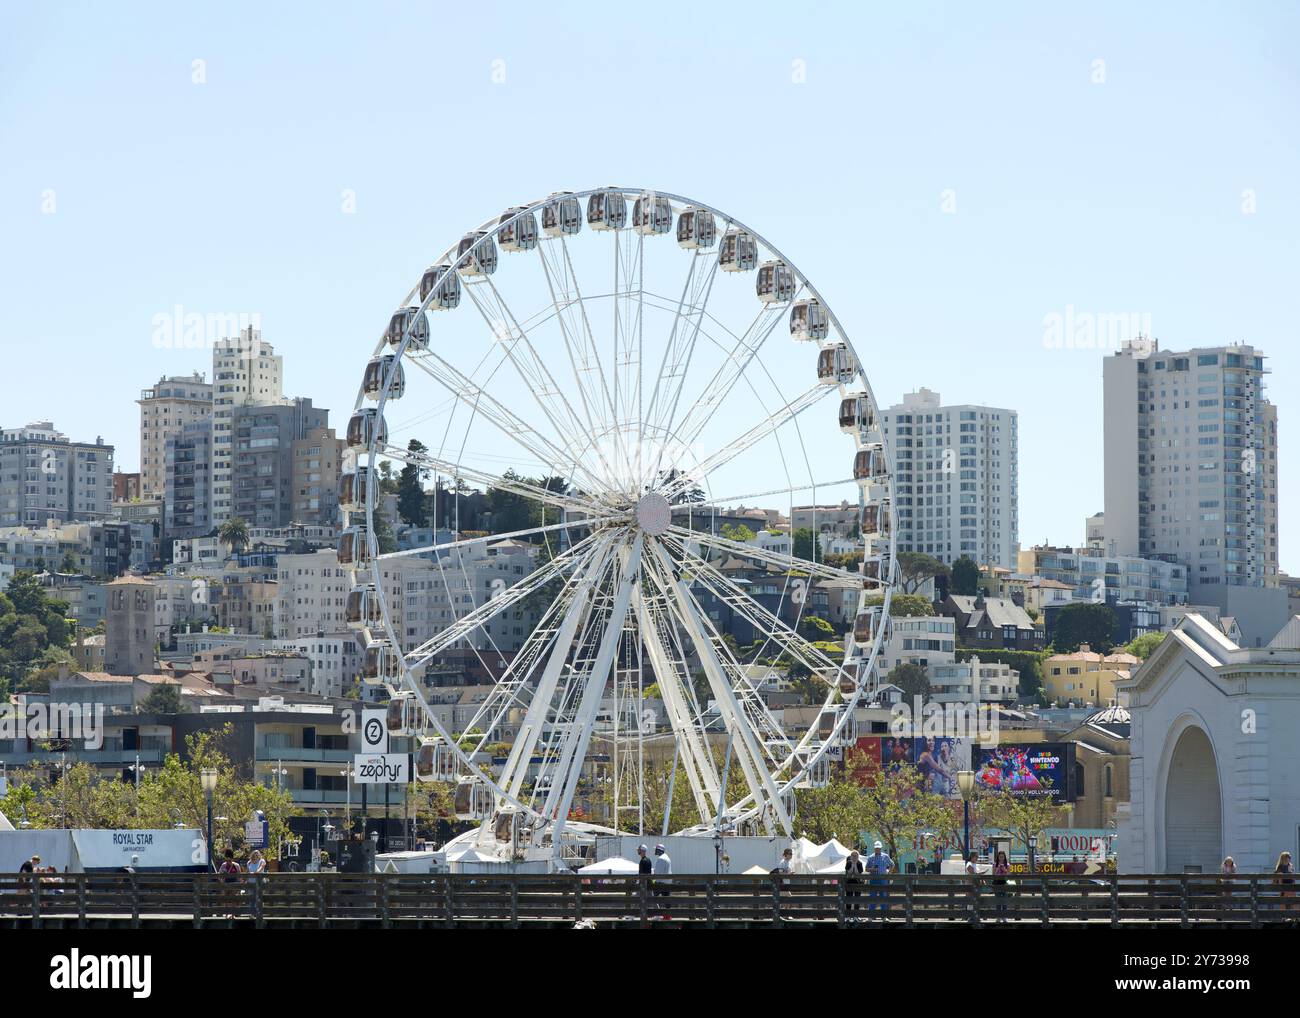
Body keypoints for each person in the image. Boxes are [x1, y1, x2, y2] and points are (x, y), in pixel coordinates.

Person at [864, 841, 893, 918]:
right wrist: (871, 869)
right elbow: (866, 869)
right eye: (876, 848)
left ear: (881, 848)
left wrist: (888, 873)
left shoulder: (885, 856)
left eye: (879, 848)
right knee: (872, 898)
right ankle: (871, 916)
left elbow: (892, 865)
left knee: (883, 897)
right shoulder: (870, 857)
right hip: (873, 879)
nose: (877, 849)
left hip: (883, 879)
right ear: (874, 848)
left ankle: (884, 916)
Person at [652, 844, 672, 917]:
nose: (655, 850)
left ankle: (657, 915)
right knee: (666, 900)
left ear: (659, 850)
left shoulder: (661, 859)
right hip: (668, 882)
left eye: (656, 849)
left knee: (652, 897)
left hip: (661, 882)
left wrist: (654, 879)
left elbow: (658, 873)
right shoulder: (667, 857)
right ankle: (668, 916)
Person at [1274, 851, 1295, 920]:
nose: (1289, 858)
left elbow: (1292, 877)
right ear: (1283, 858)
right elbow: (1280, 879)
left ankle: (1294, 917)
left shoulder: (1290, 865)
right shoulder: (1280, 867)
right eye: (1287, 857)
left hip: (1290, 886)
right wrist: (1281, 890)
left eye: (1289, 857)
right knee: (1284, 902)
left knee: (1293, 902)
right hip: (1284, 886)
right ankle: (1283, 917)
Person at [844, 850, 864, 917]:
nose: (854, 857)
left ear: (858, 856)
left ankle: (856, 916)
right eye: (853, 856)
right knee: (848, 899)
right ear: (851, 856)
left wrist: (855, 865)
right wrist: (852, 865)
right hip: (849, 882)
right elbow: (848, 872)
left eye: (856, 856)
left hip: (857, 883)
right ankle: (848, 916)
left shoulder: (860, 863)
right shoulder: (848, 862)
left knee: (857, 900)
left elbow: (858, 873)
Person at [993, 850, 1011, 923]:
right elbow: (993, 874)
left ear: (1004, 857)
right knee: (998, 901)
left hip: (1004, 883)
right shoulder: (995, 864)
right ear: (998, 857)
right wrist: (998, 868)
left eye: (1002, 857)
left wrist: (1004, 869)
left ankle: (1004, 917)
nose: (1001, 858)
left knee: (1004, 901)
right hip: (997, 883)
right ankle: (998, 917)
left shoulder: (1007, 864)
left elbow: (1009, 874)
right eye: (1000, 857)